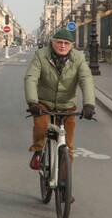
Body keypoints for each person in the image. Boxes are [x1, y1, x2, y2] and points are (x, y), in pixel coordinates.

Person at [23, 27, 95, 174]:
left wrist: (89, 104)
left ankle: (64, 184)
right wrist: (33, 102)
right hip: (44, 103)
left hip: (67, 105)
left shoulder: (78, 58)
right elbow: (31, 78)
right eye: (59, 42)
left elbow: (86, 79)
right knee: (41, 125)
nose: (63, 45)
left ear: (72, 45)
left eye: (66, 43)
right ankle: (38, 151)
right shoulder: (41, 55)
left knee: (68, 145)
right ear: (52, 42)